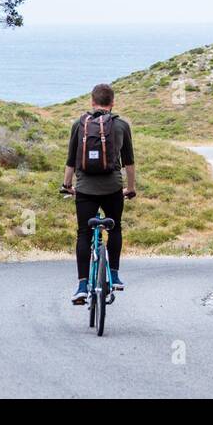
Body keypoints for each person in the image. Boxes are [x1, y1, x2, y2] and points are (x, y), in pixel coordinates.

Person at [62, 83, 136, 303]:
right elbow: (129, 163)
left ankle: (83, 285)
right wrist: (130, 188)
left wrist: (67, 185)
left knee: (84, 233)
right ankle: (113, 274)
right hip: (113, 188)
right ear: (112, 103)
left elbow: (70, 162)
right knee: (116, 228)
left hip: (85, 189)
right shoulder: (121, 125)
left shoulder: (79, 124)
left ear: (92, 101)